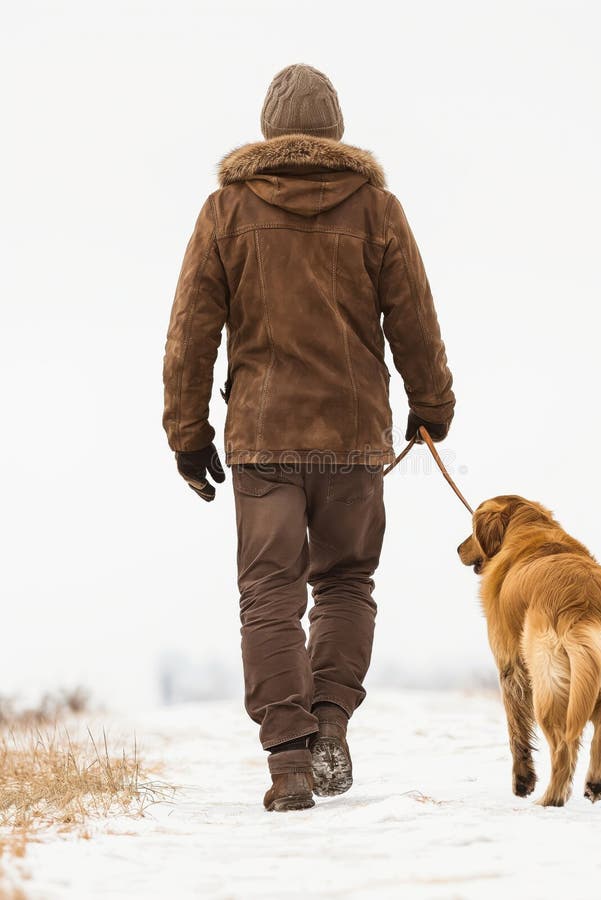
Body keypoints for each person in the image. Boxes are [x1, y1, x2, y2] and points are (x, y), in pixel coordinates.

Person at [162, 64, 455, 811]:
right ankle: (329, 718)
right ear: (336, 129)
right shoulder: (378, 210)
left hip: (262, 438)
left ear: (268, 128)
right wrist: (432, 406)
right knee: (347, 581)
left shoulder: (225, 210)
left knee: (268, 592)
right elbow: (414, 317)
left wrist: (188, 435)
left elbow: (190, 335)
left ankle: (289, 761)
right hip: (354, 436)